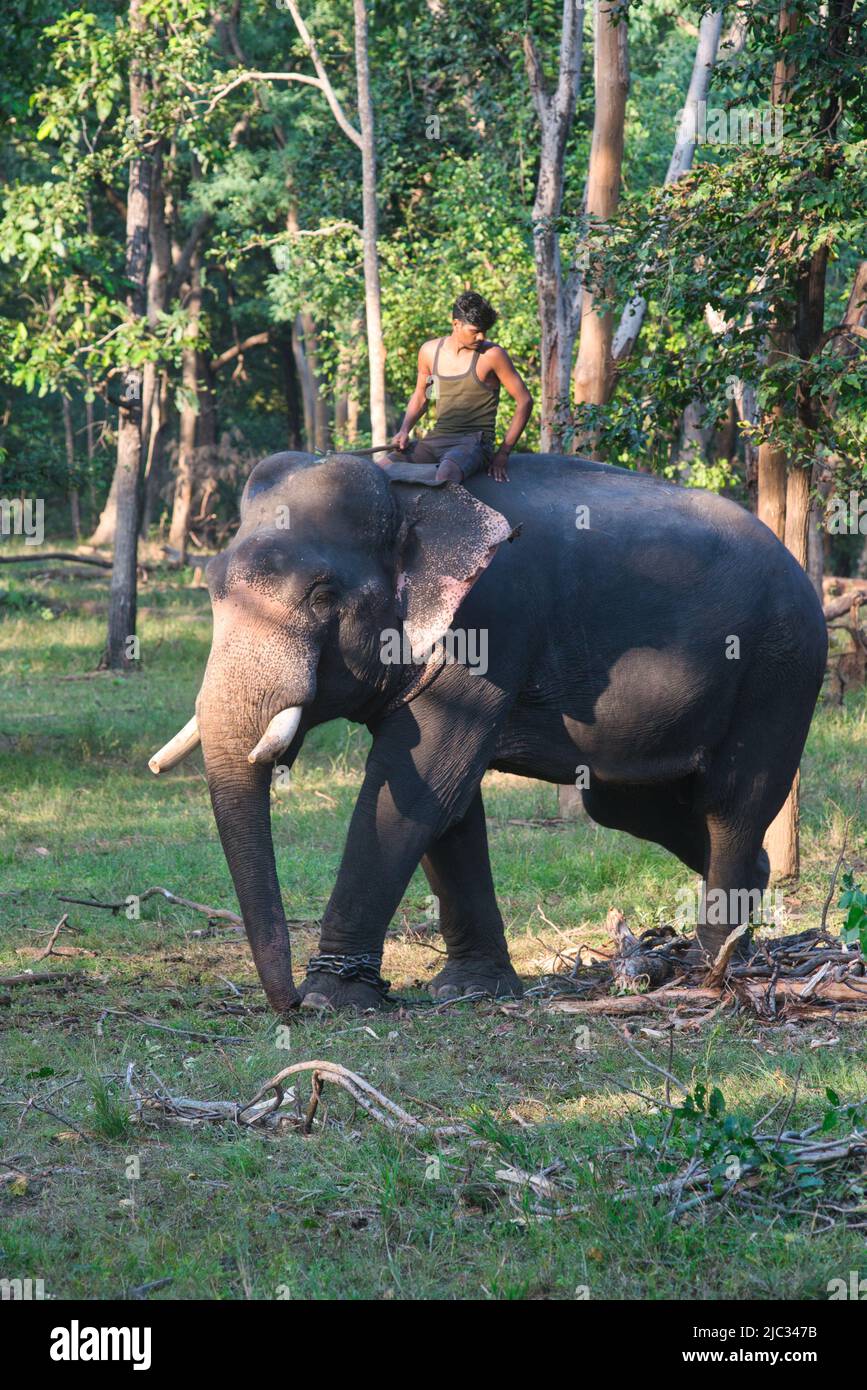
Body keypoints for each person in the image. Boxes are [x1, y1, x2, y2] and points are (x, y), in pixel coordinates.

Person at [387, 290, 532, 485]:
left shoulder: (492, 355)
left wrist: (504, 453)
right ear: (456, 324)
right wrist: (404, 430)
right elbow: (424, 397)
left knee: (446, 476)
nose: (481, 336)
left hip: (474, 442)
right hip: (436, 439)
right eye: (475, 331)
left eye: (484, 331)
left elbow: (525, 401)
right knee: (380, 469)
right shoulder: (429, 352)